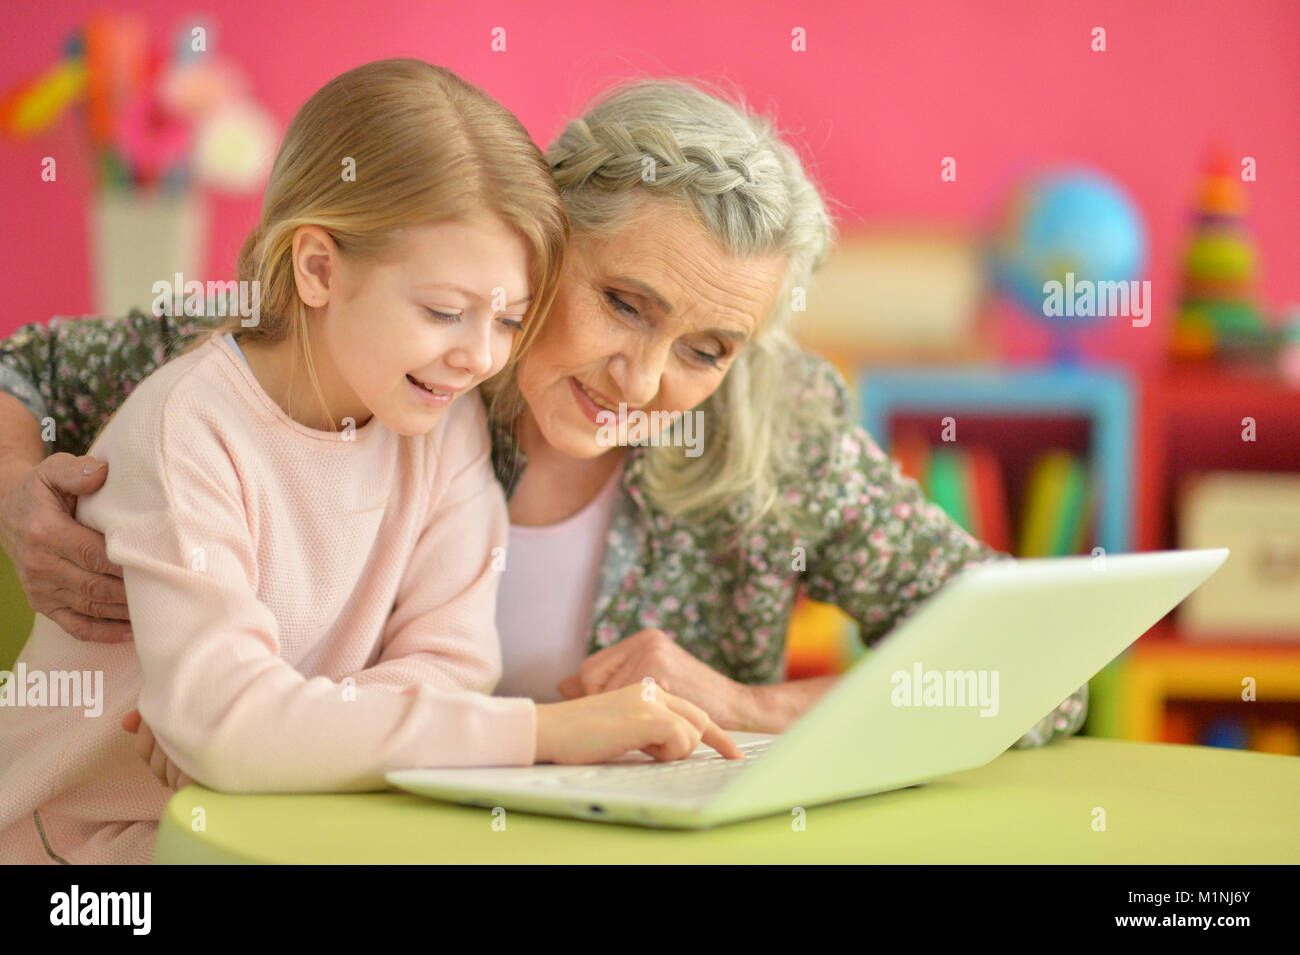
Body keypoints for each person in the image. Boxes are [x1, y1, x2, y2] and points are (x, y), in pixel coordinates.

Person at [0, 76, 1087, 783]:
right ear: (541, 244)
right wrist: (12, 485)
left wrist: (753, 702)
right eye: (623, 303)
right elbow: (28, 369)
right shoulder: (387, 350)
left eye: (707, 349)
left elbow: (1043, 672)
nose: (646, 378)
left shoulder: (779, 434)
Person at [0, 60, 739, 866]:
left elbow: (450, 674)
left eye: (510, 320)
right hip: (73, 851)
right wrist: (543, 731)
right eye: (446, 312)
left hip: (269, 829)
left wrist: (270, 740)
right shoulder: (191, 430)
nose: (480, 358)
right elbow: (234, 729)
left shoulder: (442, 429)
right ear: (319, 268)